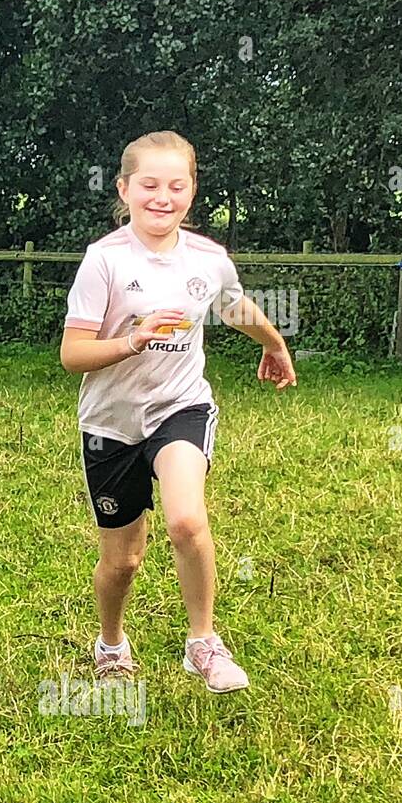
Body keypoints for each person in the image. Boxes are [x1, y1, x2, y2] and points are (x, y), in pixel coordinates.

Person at [60, 130, 296, 692]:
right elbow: (72, 354)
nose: (162, 196)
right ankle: (111, 643)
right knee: (123, 562)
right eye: (149, 184)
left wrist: (273, 343)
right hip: (110, 424)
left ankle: (203, 644)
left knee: (187, 520)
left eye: (176, 184)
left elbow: (233, 306)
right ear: (125, 189)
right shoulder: (104, 261)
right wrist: (132, 341)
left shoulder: (208, 259)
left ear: (191, 192)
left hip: (180, 406)